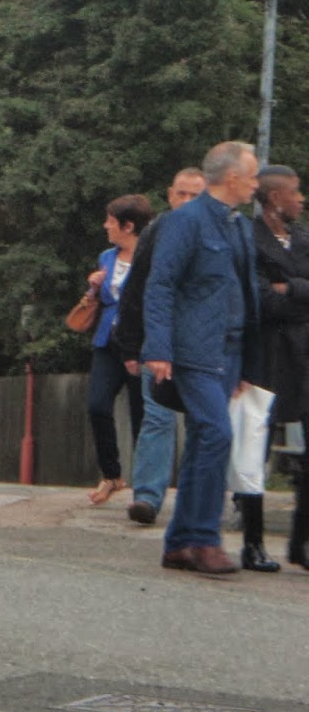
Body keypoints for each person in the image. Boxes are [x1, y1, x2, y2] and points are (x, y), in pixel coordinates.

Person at [143, 140, 264, 576]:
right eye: (251, 175)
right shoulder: (185, 222)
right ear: (232, 177)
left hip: (230, 350)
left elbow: (247, 294)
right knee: (216, 434)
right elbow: (161, 285)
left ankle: (179, 544)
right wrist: (158, 348)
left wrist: (249, 365)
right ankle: (204, 539)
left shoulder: (239, 225)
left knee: (203, 440)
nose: (256, 184)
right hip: (194, 350)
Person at [113, 167, 206, 525]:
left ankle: (203, 499)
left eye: (194, 196)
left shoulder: (218, 232)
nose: (185, 201)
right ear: (169, 195)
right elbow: (136, 290)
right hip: (158, 338)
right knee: (157, 417)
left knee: (205, 421)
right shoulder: (156, 233)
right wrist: (131, 346)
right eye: (180, 194)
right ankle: (148, 498)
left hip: (202, 343)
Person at [253, 165, 309, 571]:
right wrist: (297, 292)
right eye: (295, 192)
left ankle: (300, 541)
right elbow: (258, 298)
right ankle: (252, 541)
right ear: (276, 198)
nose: (301, 199)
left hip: (305, 352)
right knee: (255, 447)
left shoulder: (304, 238)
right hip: (268, 354)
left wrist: (288, 286)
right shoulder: (249, 238)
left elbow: (278, 295)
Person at [83, 194, 154, 505]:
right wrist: (93, 287)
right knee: (97, 405)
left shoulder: (152, 257)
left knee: (142, 417)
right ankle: (111, 475)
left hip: (140, 345)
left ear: (128, 225)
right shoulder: (106, 257)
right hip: (107, 343)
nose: (105, 226)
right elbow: (98, 299)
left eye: (110, 221)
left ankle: (147, 488)